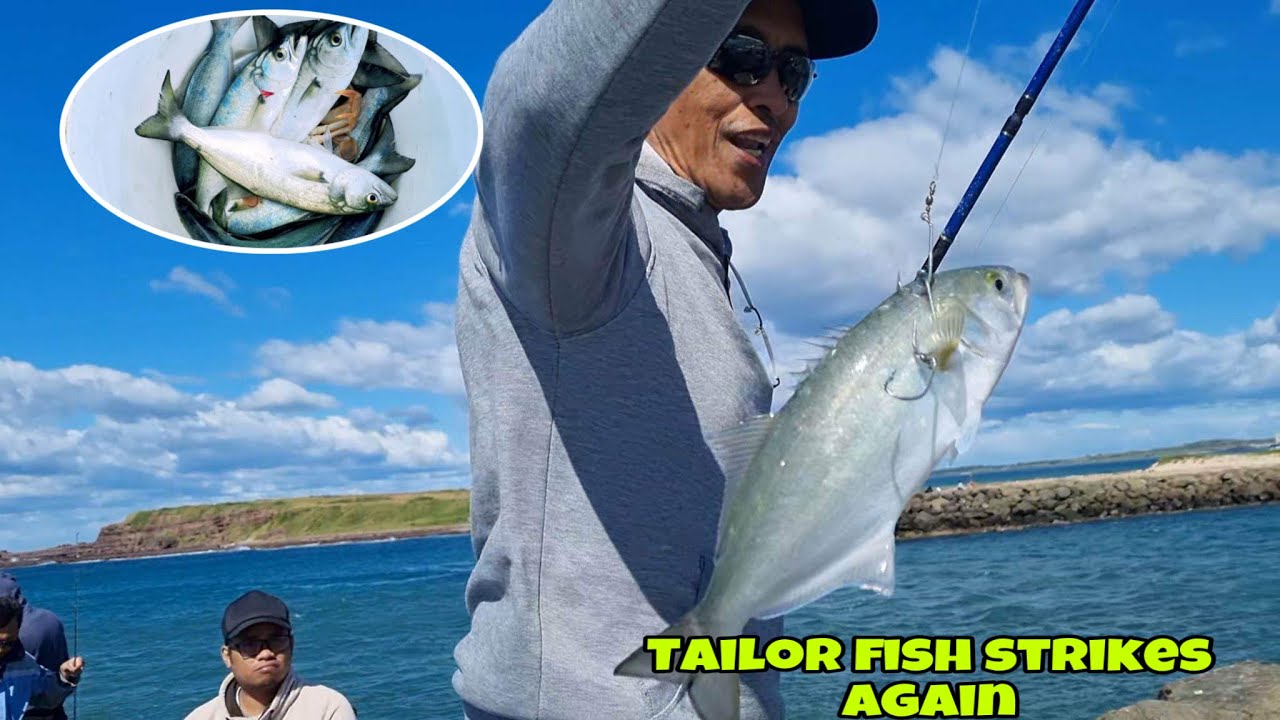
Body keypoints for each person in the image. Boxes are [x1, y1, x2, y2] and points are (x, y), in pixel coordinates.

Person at [452, 0, 877, 718]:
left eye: (794, 72)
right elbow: (536, 111)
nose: (772, 94)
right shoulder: (571, 237)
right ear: (652, 61)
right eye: (740, 55)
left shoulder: (698, 253)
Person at [183, 590, 357, 720]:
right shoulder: (201, 717)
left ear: (292, 644)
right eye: (250, 644)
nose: (266, 653)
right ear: (227, 656)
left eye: (277, 640)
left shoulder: (327, 708)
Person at [0, 574, 72, 720]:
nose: (1, 650)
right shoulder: (50, 620)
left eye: (8, 643)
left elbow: (48, 695)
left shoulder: (23, 662)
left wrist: (65, 677)